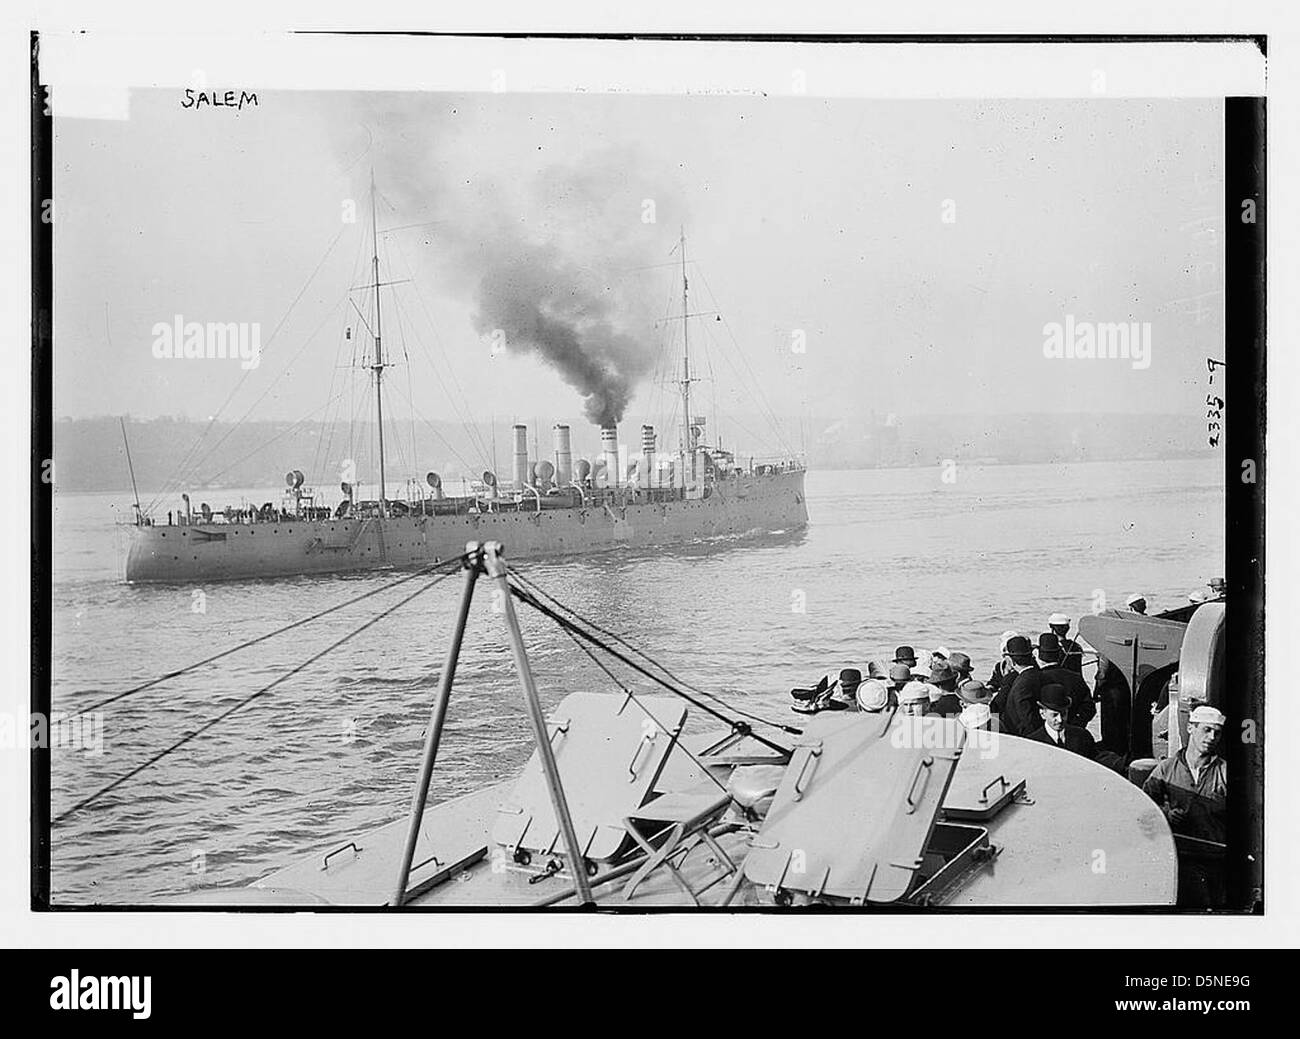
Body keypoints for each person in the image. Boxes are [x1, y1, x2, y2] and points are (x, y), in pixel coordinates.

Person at [1142, 705, 1228, 908]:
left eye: (1217, 733)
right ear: (1190, 728)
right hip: (1179, 859)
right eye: (1206, 730)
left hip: (1215, 861)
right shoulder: (1166, 770)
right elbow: (1143, 813)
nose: (1211, 737)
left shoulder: (1224, 772)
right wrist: (1166, 815)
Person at [1035, 632, 1096, 728]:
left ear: (1039, 655)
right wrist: (1076, 725)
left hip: (1045, 730)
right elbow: (1089, 708)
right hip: (1074, 730)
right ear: (1059, 654)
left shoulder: (1036, 679)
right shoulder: (1075, 677)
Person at [1024, 684, 1097, 759]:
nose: (1060, 720)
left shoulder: (1083, 737)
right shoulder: (1032, 743)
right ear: (1043, 714)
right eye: (1054, 715)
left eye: (1063, 714)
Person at [990, 635, 1041, 737]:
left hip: (1022, 737)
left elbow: (1026, 719)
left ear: (1011, 661)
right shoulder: (1040, 675)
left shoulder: (1020, 685)